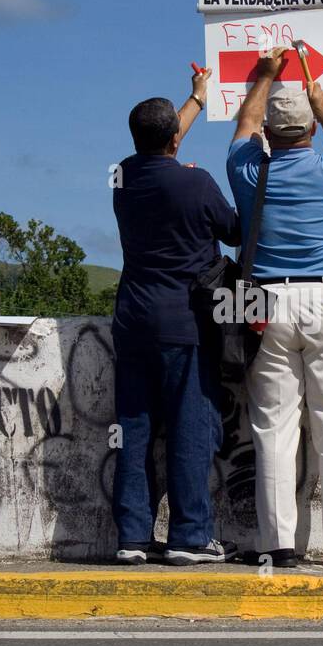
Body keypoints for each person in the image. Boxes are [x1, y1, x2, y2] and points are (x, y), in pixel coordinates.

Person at [225, 46, 323, 568]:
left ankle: (278, 545)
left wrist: (263, 76)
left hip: (268, 304)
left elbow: (244, 125)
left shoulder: (248, 173)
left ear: (270, 134)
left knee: (274, 429)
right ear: (309, 130)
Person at [111, 66, 241, 566]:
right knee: (190, 428)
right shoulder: (197, 184)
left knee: (135, 428)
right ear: (175, 141)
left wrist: (197, 98)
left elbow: (162, 141)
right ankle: (189, 537)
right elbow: (232, 231)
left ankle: (132, 538)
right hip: (184, 325)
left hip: (133, 322)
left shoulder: (122, 178)